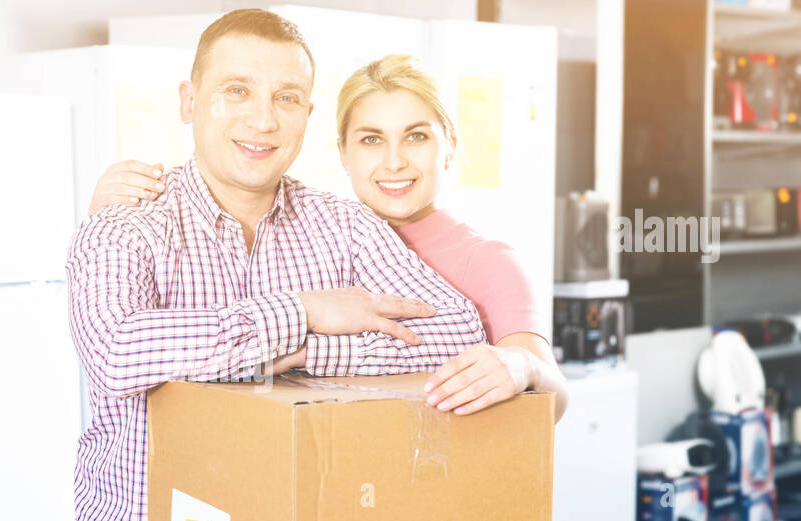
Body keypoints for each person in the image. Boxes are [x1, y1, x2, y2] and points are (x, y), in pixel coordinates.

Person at [65, 9, 487, 521]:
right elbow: (117, 351)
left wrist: (307, 350)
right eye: (236, 91)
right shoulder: (128, 223)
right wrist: (304, 312)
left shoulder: (344, 226)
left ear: (308, 116)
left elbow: (457, 330)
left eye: (286, 97)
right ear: (190, 102)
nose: (262, 120)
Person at [91, 54, 569, 420]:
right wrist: (110, 220)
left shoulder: (488, 261)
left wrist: (524, 368)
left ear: (450, 148)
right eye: (371, 139)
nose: (395, 161)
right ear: (343, 153)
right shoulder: (319, 235)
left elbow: (552, 395)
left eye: (417, 137)